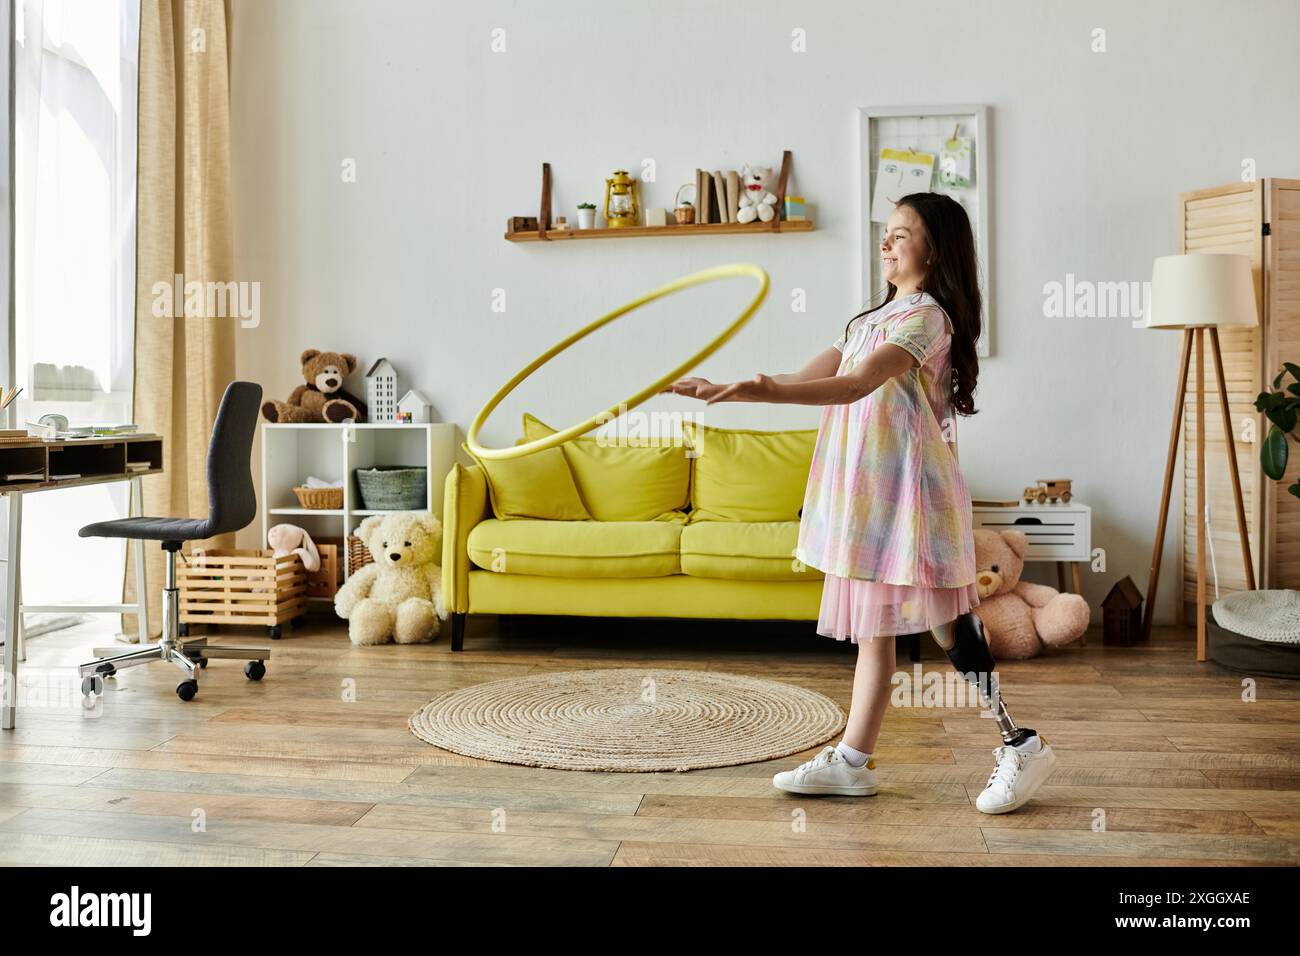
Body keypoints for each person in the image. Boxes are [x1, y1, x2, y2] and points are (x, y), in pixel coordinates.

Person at [668, 192, 1055, 814]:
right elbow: (807, 375)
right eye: (888, 232)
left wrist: (760, 393)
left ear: (936, 249)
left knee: (946, 623)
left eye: (903, 234)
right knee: (874, 631)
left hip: (913, 497)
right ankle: (851, 761)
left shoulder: (927, 318)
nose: (887, 242)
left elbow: (854, 385)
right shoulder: (868, 319)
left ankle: (1021, 745)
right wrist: (730, 388)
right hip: (868, 497)